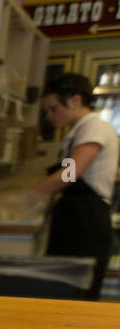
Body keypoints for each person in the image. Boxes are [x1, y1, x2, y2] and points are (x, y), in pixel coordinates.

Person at [35, 72, 119, 299]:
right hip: (76, 217)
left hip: (86, 221)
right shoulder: (79, 130)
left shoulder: (94, 127)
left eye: (53, 109)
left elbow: (71, 173)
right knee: (62, 292)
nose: (50, 116)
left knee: (76, 296)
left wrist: (31, 195)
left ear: (75, 100)